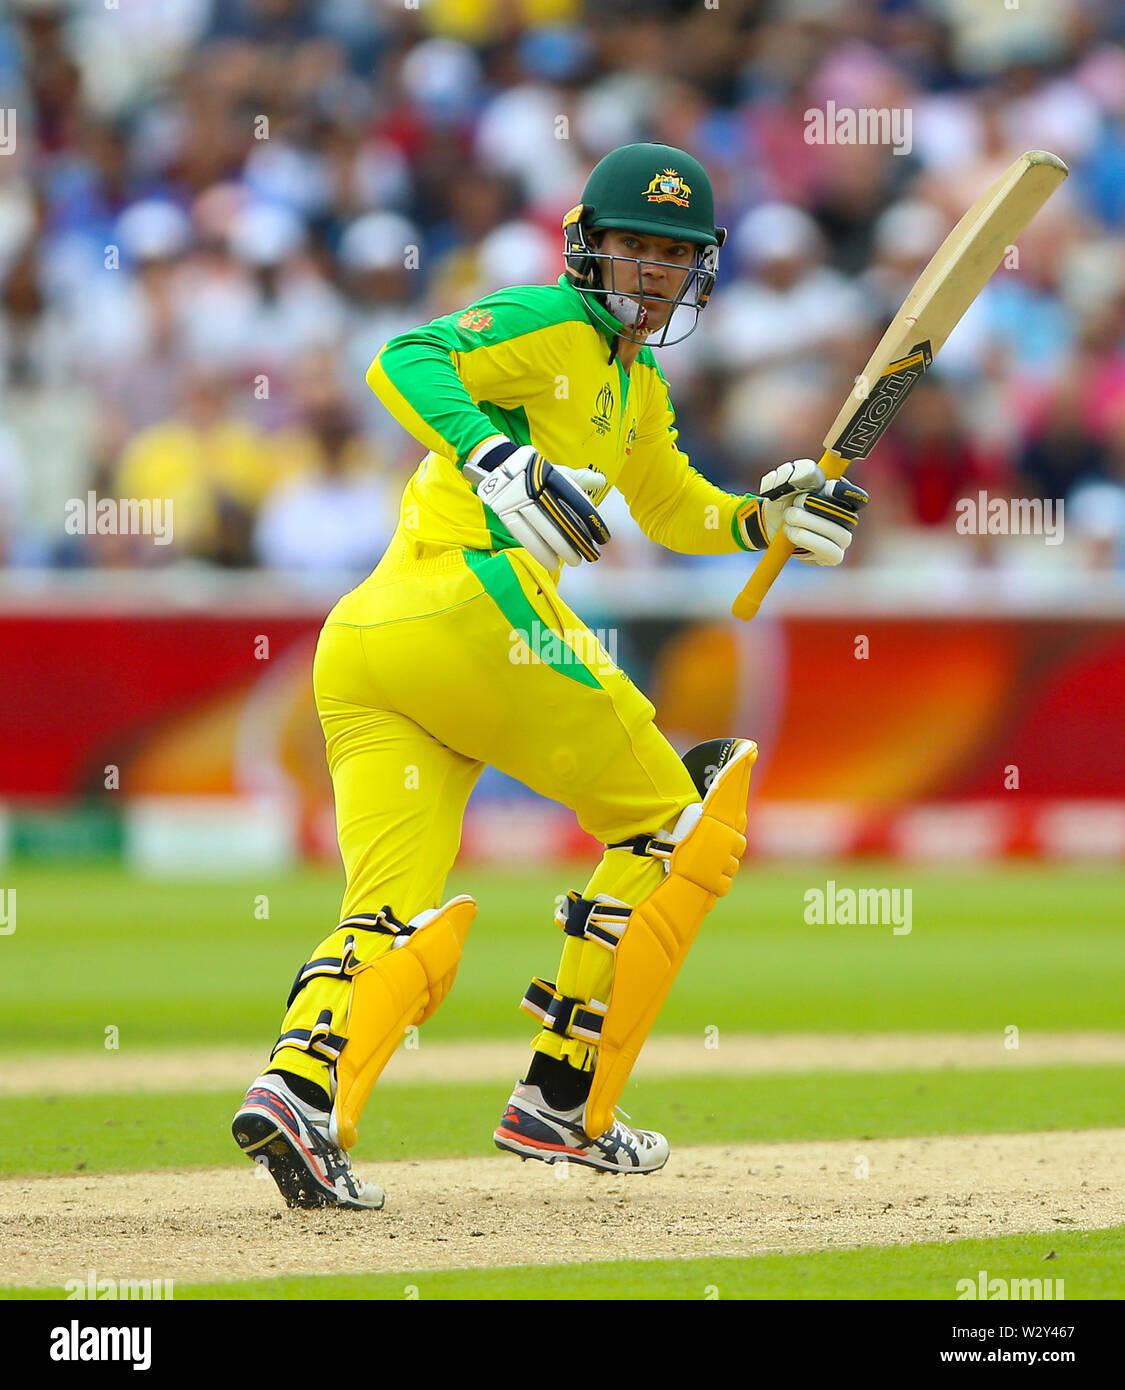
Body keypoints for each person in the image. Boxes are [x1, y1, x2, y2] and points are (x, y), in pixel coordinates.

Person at [231, 143, 869, 1209]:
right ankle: (565, 1100)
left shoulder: (639, 379)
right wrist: (496, 456)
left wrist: (764, 517)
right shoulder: (550, 325)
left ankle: (299, 1088)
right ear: (588, 247)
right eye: (635, 248)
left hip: (375, 645)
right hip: (475, 609)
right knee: (678, 823)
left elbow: (670, 506)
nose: (654, 273)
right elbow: (406, 355)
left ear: (701, 270)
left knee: (384, 909)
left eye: (676, 255)